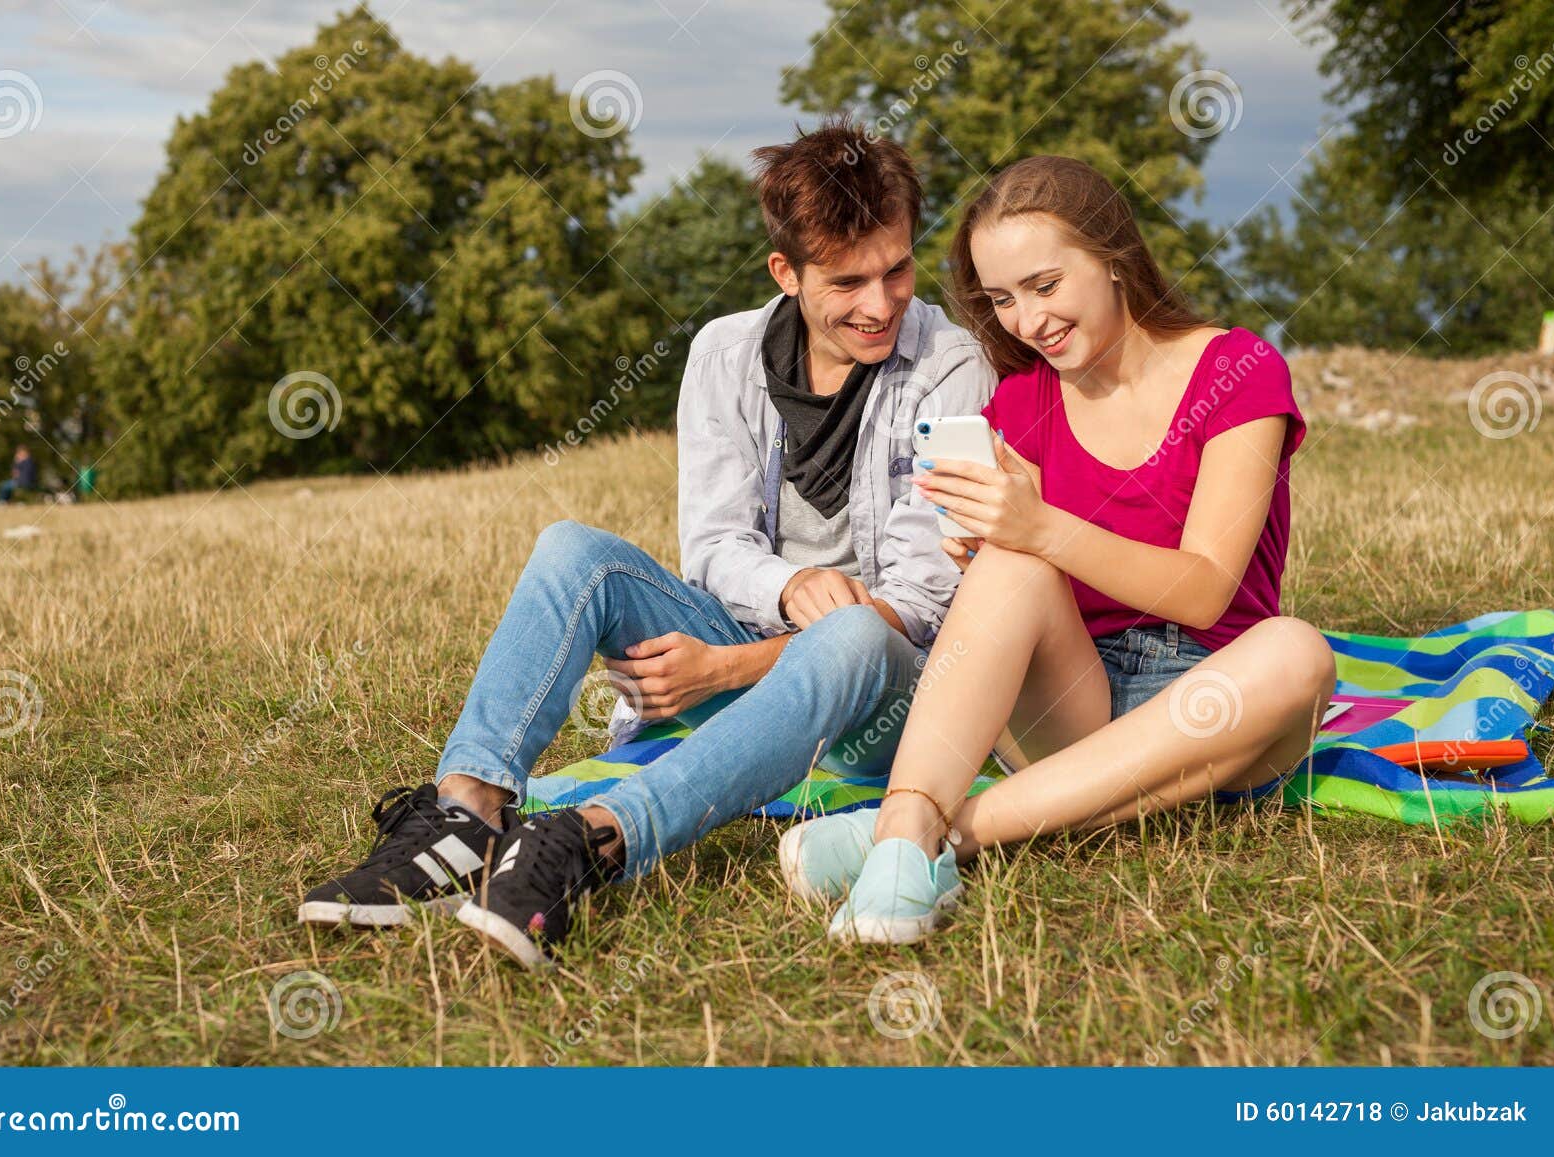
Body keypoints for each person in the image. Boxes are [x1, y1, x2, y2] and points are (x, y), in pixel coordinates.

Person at [298, 116, 996, 968]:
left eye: (898, 269)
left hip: (885, 697)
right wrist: (782, 590)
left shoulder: (952, 365)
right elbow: (712, 547)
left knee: (856, 628)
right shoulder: (723, 354)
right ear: (786, 272)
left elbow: (928, 603)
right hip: (754, 641)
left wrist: (731, 666)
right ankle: (466, 812)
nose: (880, 304)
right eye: (848, 281)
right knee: (571, 550)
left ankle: (596, 842)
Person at [778, 155, 1336, 944]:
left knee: (1297, 653)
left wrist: (1043, 528)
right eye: (1001, 299)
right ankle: (909, 828)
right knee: (1010, 566)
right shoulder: (1021, 401)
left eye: (1045, 286)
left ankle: (919, 835)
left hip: (1216, 705)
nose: (1027, 321)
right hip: (1075, 702)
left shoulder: (1238, 371)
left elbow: (1207, 588)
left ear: (1113, 257)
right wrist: (987, 548)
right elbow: (1016, 584)